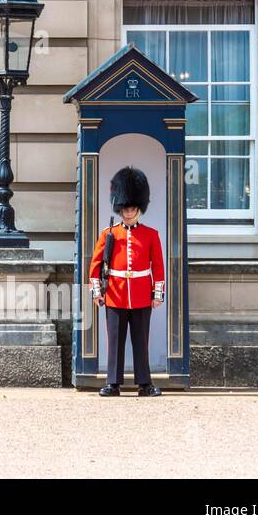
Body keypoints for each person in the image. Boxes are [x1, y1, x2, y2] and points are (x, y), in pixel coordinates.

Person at [90, 166, 165, 397]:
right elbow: (95, 264)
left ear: (139, 208)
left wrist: (157, 293)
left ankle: (145, 383)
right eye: (126, 208)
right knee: (115, 342)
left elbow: (158, 267)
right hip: (115, 293)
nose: (129, 212)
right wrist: (96, 291)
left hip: (142, 293)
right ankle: (113, 383)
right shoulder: (108, 234)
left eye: (133, 208)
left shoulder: (151, 235)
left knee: (141, 342)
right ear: (120, 208)